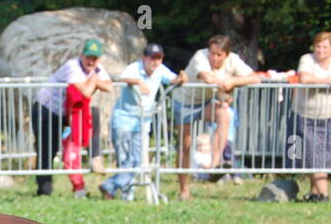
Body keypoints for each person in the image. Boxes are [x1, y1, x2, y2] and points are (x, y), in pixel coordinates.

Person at [175, 35, 259, 200]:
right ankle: (184, 190)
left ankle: (215, 164)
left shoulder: (233, 60)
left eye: (218, 54)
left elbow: (255, 78)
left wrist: (233, 81)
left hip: (205, 101)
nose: (213, 57)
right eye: (212, 53)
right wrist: (224, 84)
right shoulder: (200, 55)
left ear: (227, 54)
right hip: (184, 101)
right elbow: (207, 78)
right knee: (185, 146)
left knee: (224, 116)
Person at [100, 43, 182, 201]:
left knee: (137, 160)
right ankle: (122, 192)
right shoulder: (134, 68)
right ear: (144, 58)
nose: (156, 62)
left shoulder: (160, 70)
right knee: (124, 158)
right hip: (123, 119)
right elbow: (123, 78)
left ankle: (110, 186)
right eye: (152, 58)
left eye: (159, 58)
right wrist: (138, 82)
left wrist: (182, 77)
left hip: (143, 121)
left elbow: (173, 79)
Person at [31, 39, 111, 196]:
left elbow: (109, 86)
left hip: (68, 114)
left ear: (99, 59)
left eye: (95, 58)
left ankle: (94, 158)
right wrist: (95, 80)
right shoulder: (72, 66)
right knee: (47, 149)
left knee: (74, 143)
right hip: (47, 110)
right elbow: (86, 91)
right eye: (88, 57)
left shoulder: (97, 68)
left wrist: (93, 80)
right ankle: (44, 191)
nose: (91, 61)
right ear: (82, 55)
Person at [289, 31, 331, 202]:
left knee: (325, 156)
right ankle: (324, 195)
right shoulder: (307, 59)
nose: (320, 50)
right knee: (314, 155)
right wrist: (327, 81)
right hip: (306, 114)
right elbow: (304, 78)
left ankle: (315, 193)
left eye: (325, 47)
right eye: (317, 46)